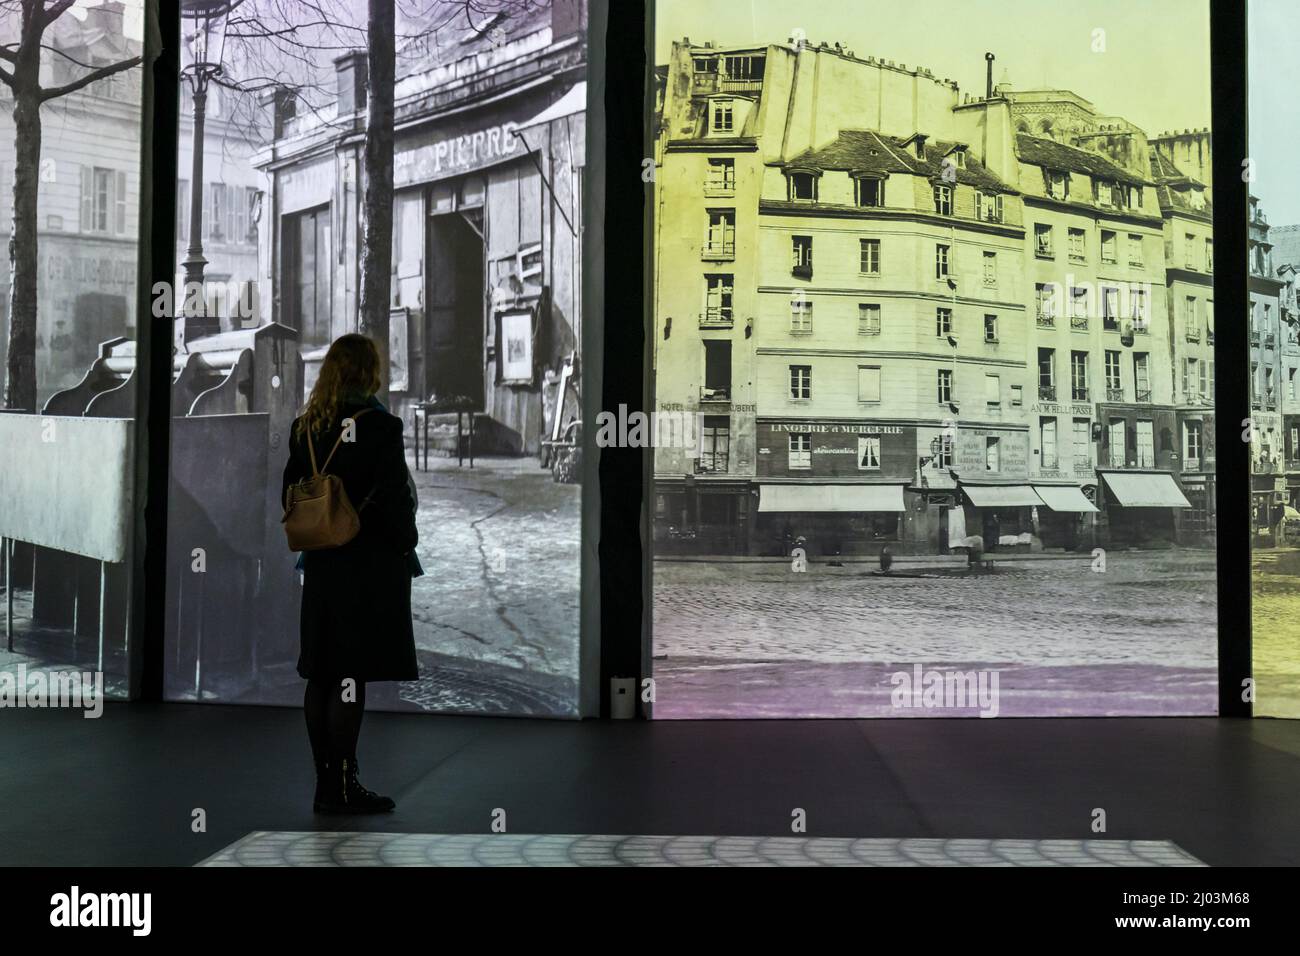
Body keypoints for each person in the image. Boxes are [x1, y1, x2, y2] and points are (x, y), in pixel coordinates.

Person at [281, 334, 419, 814]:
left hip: (319, 567)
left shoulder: (304, 428)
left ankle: (326, 785)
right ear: (369, 372)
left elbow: (289, 497)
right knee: (349, 679)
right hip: (365, 569)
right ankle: (345, 787)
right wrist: (406, 545)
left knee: (320, 676)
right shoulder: (381, 426)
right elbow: (396, 500)